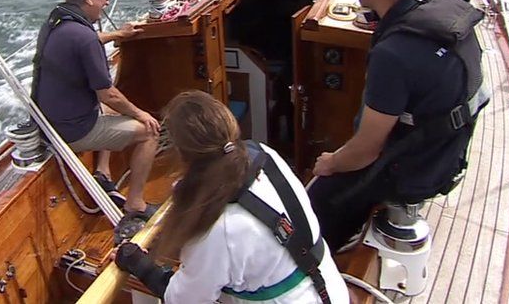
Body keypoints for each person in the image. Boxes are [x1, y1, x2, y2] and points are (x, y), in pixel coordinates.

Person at [307, 0, 487, 251]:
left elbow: (366, 150)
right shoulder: (444, 16)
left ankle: (324, 263)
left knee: (312, 206)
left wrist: (332, 163)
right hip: (447, 152)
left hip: (413, 170)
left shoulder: (393, 54)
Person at [114, 91, 348, 304]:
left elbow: (185, 299)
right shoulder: (267, 155)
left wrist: (136, 262)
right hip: (329, 288)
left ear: (180, 154)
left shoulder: (215, 227)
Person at [31, 0, 160, 218]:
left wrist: (118, 34)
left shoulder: (57, 21)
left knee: (114, 109)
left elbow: (87, 41)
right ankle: (136, 203)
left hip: (48, 119)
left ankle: (103, 172)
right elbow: (107, 94)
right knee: (149, 131)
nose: (106, 3)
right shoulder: (84, 37)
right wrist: (142, 114)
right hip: (73, 129)